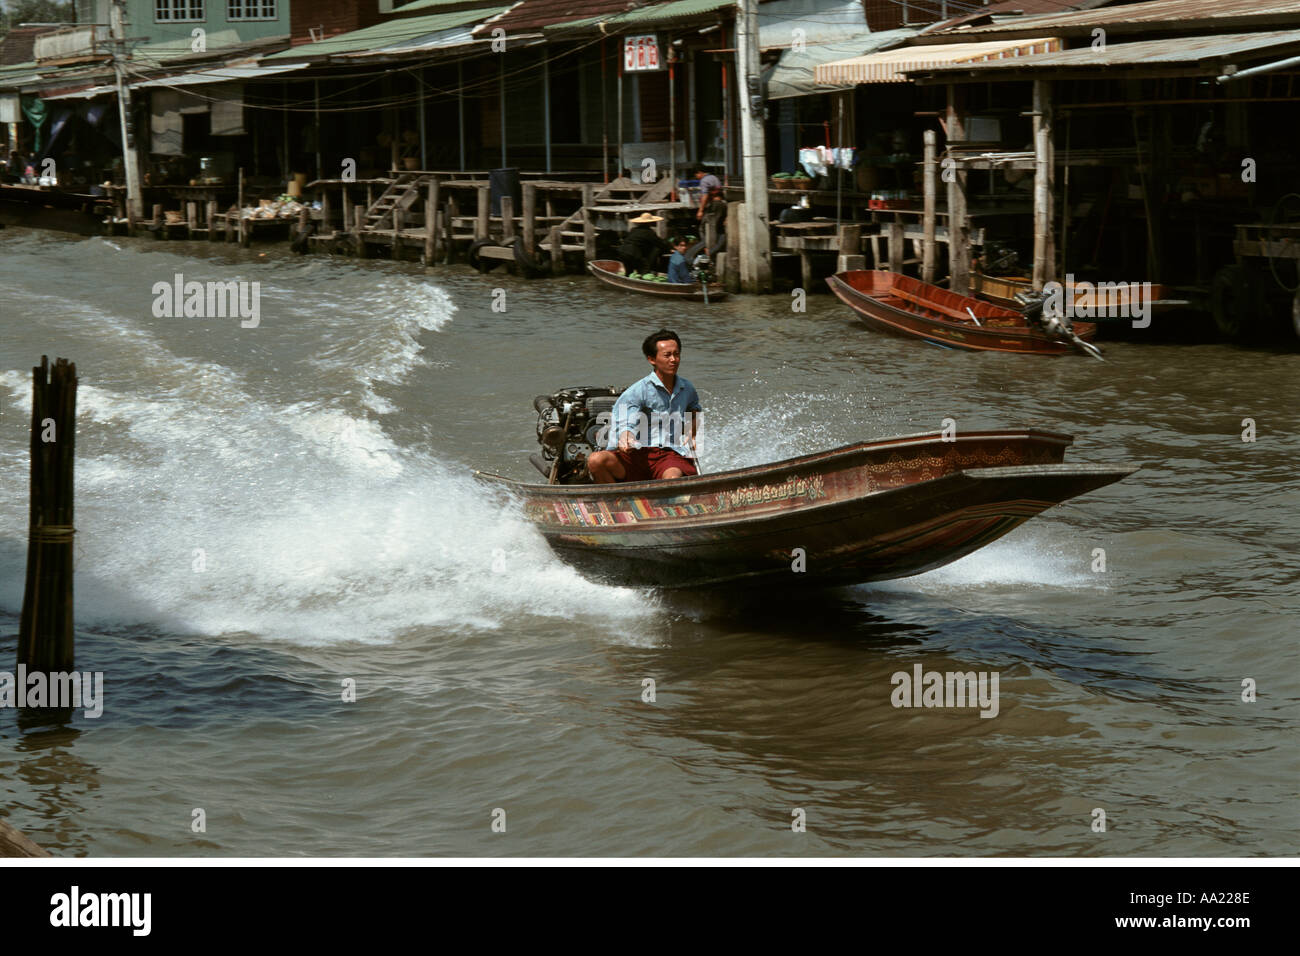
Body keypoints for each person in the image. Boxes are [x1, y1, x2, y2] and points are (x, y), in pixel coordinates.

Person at [588, 329, 702, 483]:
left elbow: (694, 408)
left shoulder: (687, 388)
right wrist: (626, 435)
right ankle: (618, 503)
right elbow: (626, 417)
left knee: (672, 478)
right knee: (596, 460)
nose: (674, 360)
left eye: (677, 354)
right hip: (636, 454)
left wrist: (693, 433)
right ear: (652, 359)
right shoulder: (638, 390)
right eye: (667, 355)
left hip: (668, 455)